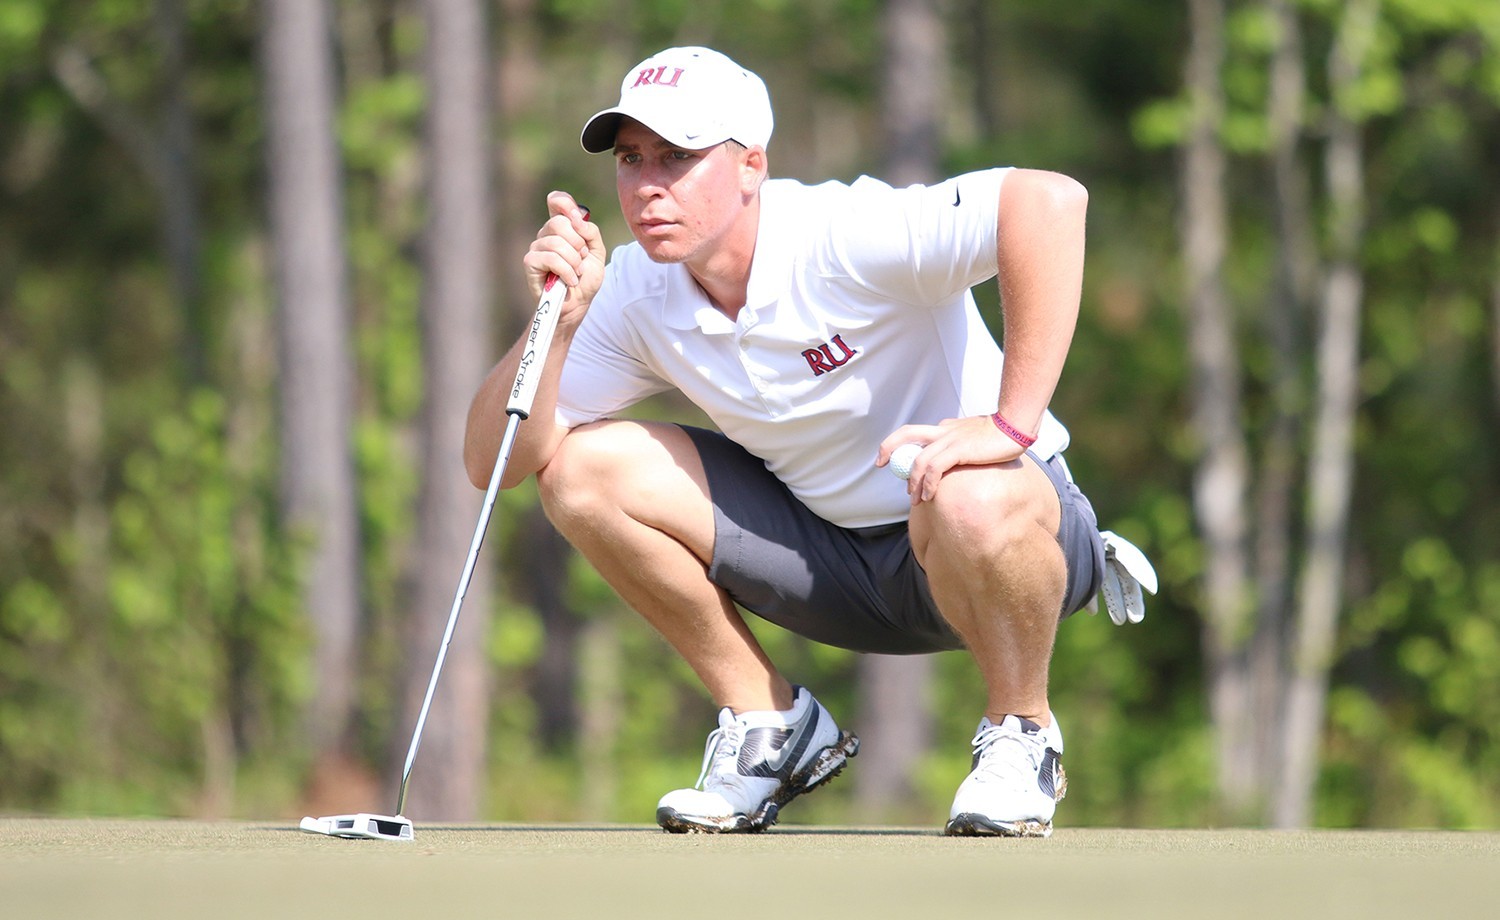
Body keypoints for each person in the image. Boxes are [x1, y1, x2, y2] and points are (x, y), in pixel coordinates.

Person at [463, 46, 1154, 837]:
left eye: (679, 157)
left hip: (996, 542)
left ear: (751, 165)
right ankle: (770, 727)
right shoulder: (628, 288)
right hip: (833, 569)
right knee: (579, 471)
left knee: (969, 492)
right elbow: (493, 466)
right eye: (631, 160)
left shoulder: (843, 233)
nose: (649, 185)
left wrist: (1010, 424)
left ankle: (1022, 733)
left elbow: (1051, 204)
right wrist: (557, 328)